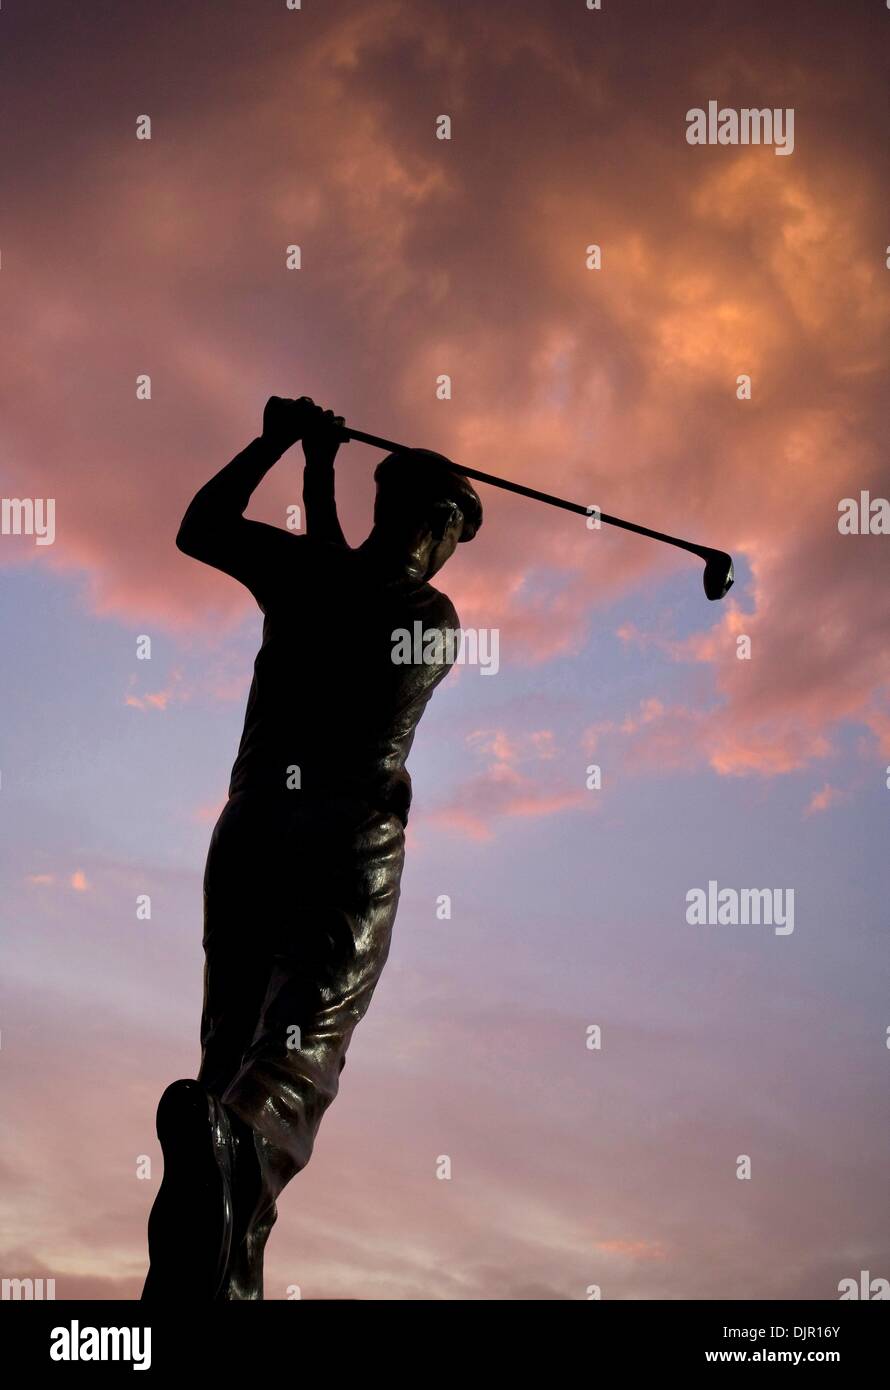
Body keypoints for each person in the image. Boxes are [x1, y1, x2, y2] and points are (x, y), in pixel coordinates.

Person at [142, 396, 482, 1300]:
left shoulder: (312, 575)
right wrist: (300, 459)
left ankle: (225, 1261)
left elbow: (206, 527)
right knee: (299, 1047)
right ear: (440, 524)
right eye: (456, 529)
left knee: (232, 1051)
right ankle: (233, 1156)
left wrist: (291, 452)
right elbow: (347, 594)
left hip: (253, 825)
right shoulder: (433, 613)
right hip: (344, 839)